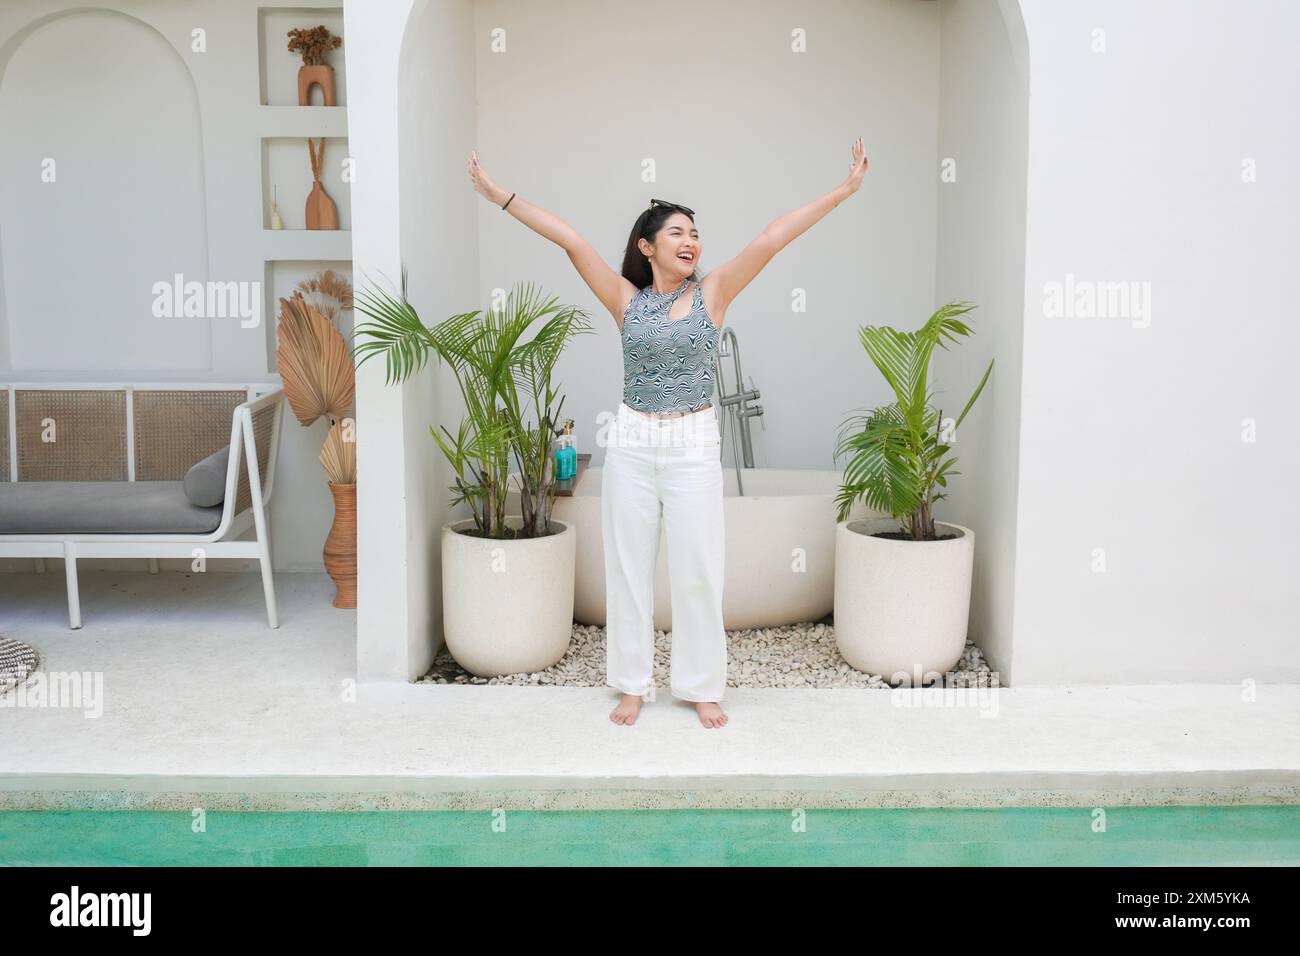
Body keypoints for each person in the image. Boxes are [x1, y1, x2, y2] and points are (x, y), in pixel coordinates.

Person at [466, 138, 869, 728]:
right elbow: (570, 239)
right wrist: (499, 196)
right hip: (632, 441)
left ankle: (702, 685)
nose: (691, 242)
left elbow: (773, 237)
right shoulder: (626, 300)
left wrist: (844, 190)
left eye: (694, 233)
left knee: (698, 565)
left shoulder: (714, 293)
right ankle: (632, 685)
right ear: (646, 247)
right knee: (629, 567)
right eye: (677, 233)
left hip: (692, 442)